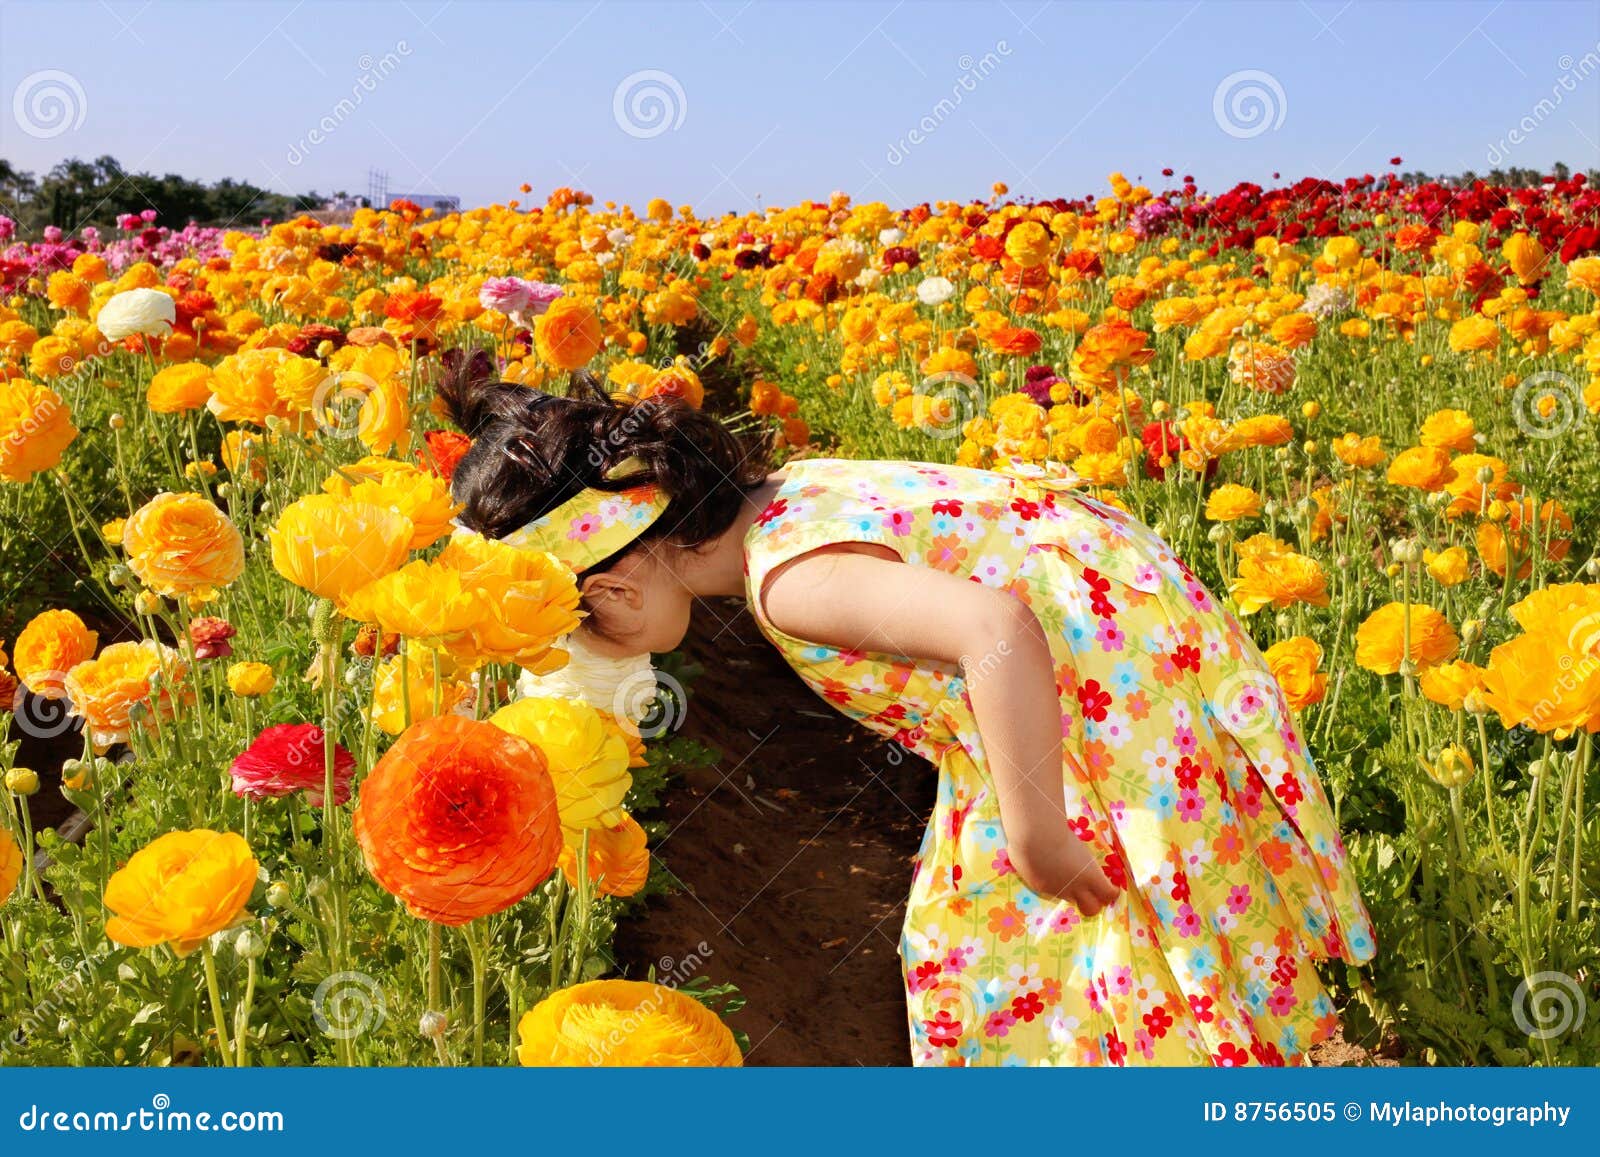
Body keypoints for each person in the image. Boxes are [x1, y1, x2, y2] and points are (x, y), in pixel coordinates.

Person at [437, 357, 1377, 1067]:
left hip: (1089, 705)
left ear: (615, 583)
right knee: (1006, 935)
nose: (585, 644)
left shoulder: (789, 583)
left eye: (576, 622)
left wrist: (1037, 829)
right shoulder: (782, 498)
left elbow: (996, 628)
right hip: (1080, 680)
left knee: (1025, 933)